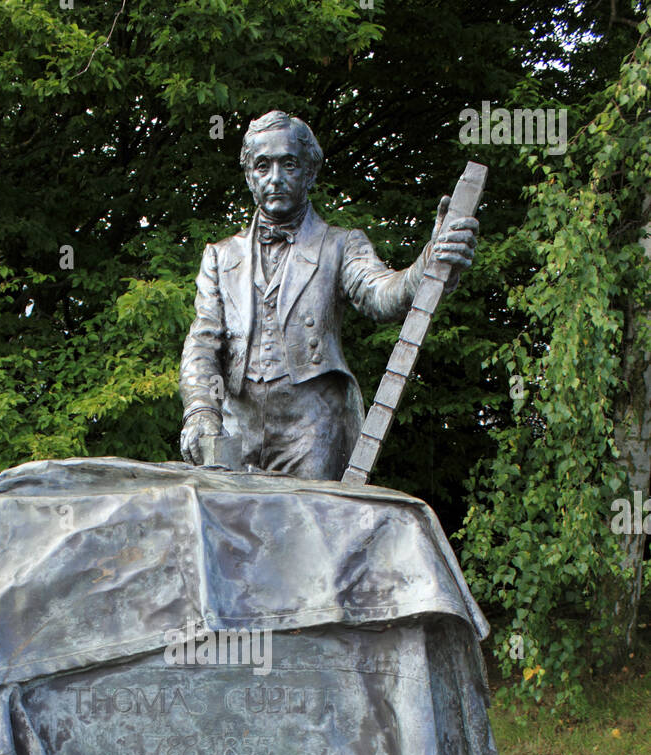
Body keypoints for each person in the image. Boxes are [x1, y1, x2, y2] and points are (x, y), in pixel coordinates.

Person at [179, 110, 478, 480]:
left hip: (312, 431)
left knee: (313, 534)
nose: (275, 179)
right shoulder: (221, 256)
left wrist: (429, 262)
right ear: (249, 176)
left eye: (289, 164)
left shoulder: (339, 245)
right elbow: (202, 344)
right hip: (234, 431)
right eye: (262, 166)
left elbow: (382, 293)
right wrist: (201, 412)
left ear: (309, 172)